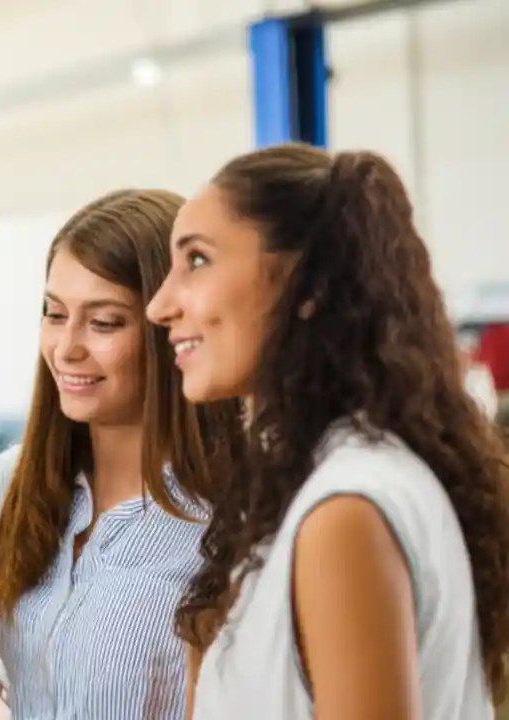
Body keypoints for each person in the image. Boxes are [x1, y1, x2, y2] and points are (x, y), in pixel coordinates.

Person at [146, 143, 509, 719]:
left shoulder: (347, 507)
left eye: (196, 261)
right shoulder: (319, 486)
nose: (160, 306)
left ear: (307, 286)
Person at [0, 190, 242, 719]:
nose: (66, 348)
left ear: (173, 330)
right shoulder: (9, 486)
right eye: (54, 314)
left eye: (104, 322)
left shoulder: (236, 514)